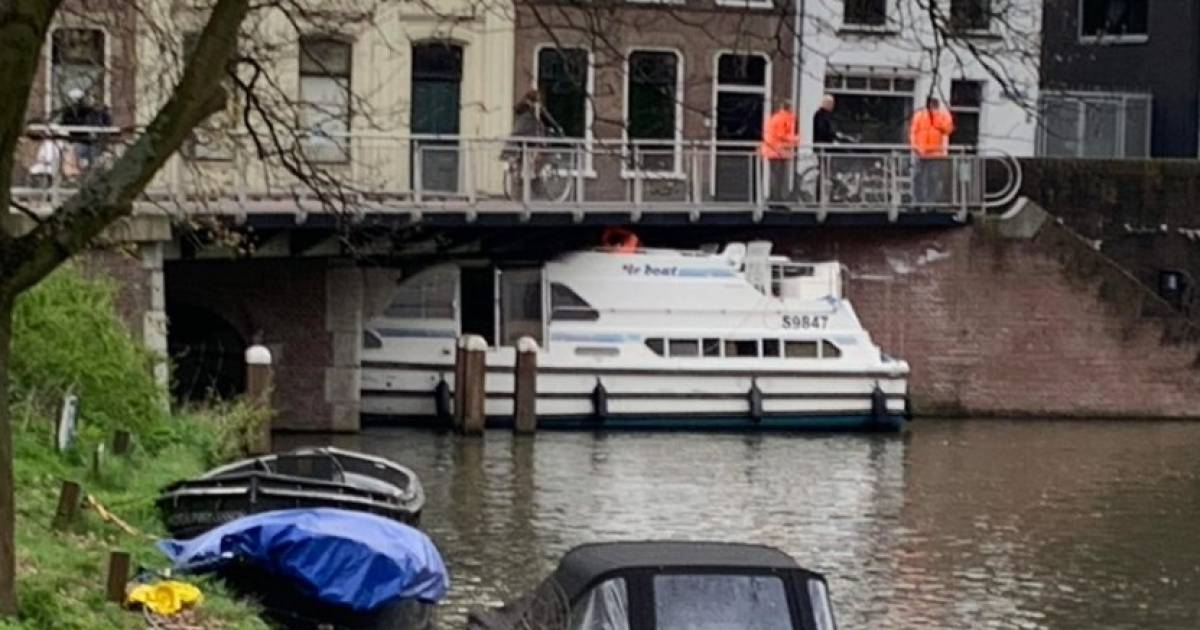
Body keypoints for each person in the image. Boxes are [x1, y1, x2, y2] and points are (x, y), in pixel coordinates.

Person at [908, 97, 955, 207]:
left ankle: (930, 202)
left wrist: (938, 117)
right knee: (918, 177)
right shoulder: (919, 116)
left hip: (934, 153)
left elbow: (948, 129)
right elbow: (913, 132)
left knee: (932, 178)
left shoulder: (941, 116)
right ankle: (918, 202)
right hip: (921, 152)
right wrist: (915, 147)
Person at [58, 87, 111, 170]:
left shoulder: (89, 111)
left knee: (92, 164)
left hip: (91, 141)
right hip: (78, 141)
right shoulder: (69, 112)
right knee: (81, 163)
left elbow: (104, 122)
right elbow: (66, 123)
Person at [761, 101, 799, 202]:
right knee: (778, 176)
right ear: (789, 108)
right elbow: (781, 134)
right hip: (777, 151)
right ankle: (776, 198)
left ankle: (775, 197)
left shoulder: (776, 117)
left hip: (774, 150)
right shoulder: (784, 118)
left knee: (776, 175)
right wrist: (795, 139)